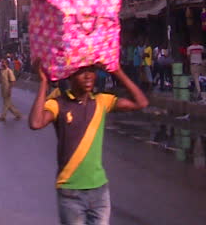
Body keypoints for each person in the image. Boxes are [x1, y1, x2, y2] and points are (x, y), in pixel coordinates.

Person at [28, 61, 148, 225]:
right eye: (81, 71)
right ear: (70, 75)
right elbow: (36, 122)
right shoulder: (58, 104)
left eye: (91, 71)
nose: (88, 76)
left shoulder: (101, 101)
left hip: (100, 191)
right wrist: (43, 82)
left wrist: (117, 71)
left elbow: (141, 102)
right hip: (70, 192)